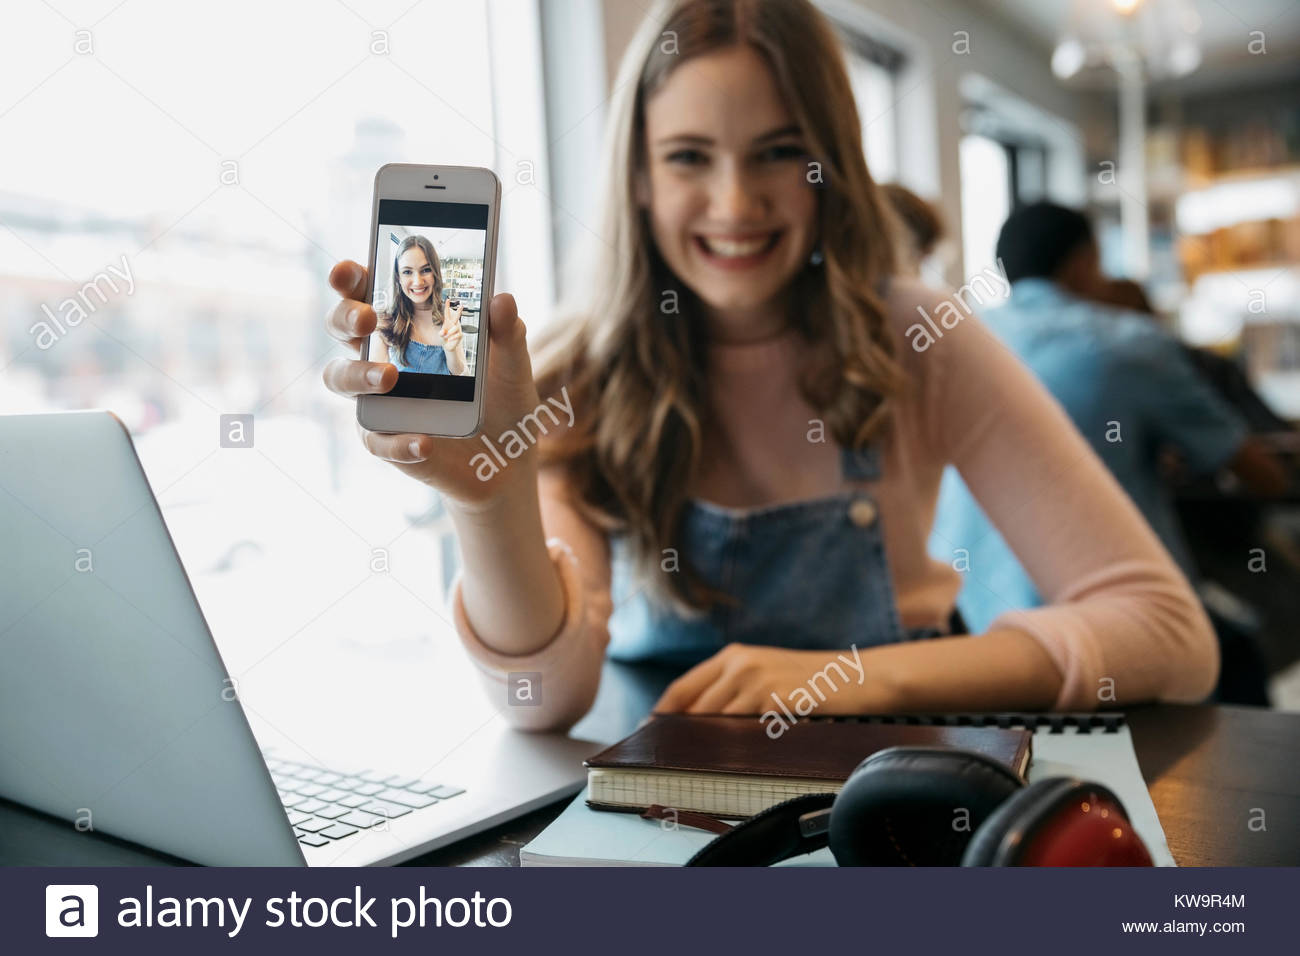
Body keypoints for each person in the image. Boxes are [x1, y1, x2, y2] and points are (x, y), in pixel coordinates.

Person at [323, 0, 1218, 732]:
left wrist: (853, 678)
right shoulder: (568, 372)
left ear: (830, 163)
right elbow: (541, 699)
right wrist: (490, 497)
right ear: (637, 176)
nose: (735, 204)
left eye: (780, 154)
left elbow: (1170, 633)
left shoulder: (917, 336)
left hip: (890, 804)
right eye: (688, 158)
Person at [931, 201, 1287, 636]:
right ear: (1085, 262)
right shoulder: (1132, 345)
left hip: (967, 615)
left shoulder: (953, 342)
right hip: (1110, 624)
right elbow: (1254, 469)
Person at [375, 235, 470, 376]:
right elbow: (375, 381)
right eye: (407, 272)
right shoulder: (385, 319)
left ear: (435, 273)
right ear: (398, 277)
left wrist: (451, 350)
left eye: (426, 270)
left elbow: (461, 376)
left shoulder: (448, 318)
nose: (418, 282)